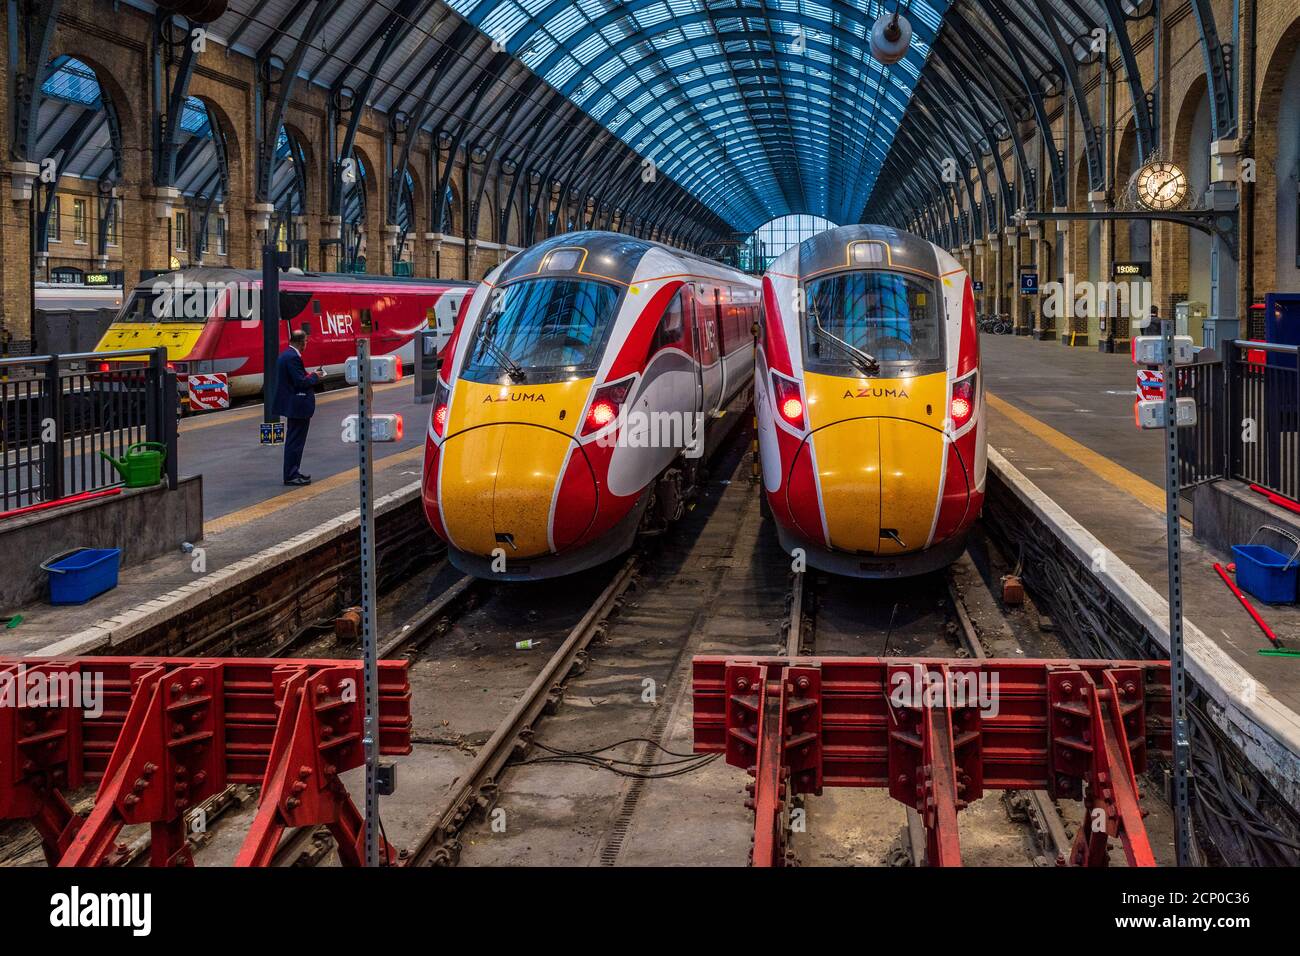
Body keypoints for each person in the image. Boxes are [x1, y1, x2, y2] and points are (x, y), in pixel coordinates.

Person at [274, 329, 323, 486]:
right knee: (295, 442)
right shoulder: (293, 357)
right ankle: (291, 475)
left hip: (293, 406)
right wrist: (316, 376)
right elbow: (300, 382)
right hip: (297, 406)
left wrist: (310, 375)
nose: (306, 345)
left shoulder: (286, 355)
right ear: (302, 343)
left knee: (294, 441)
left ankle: (294, 471)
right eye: (306, 342)